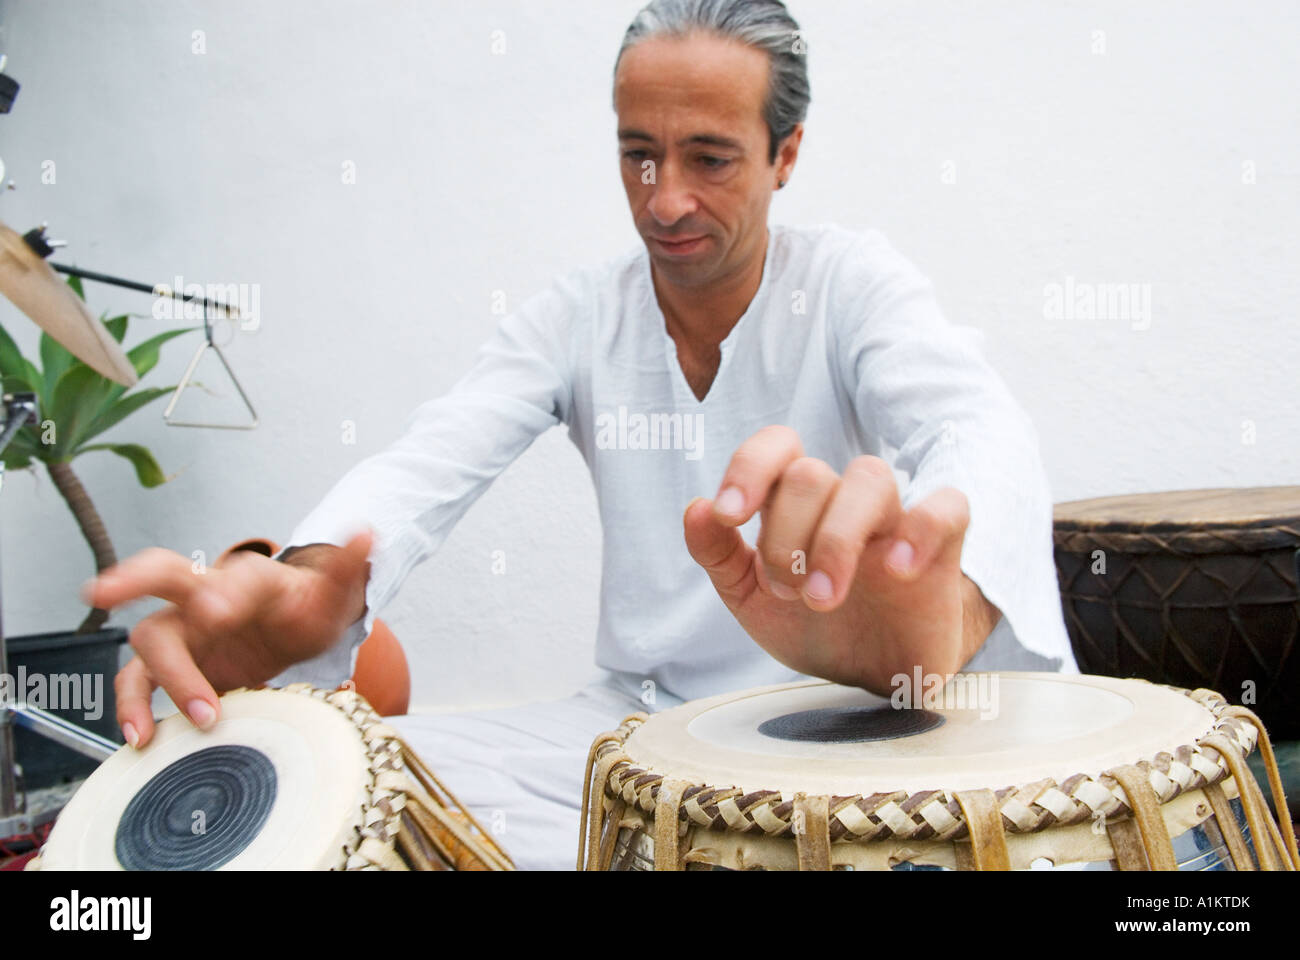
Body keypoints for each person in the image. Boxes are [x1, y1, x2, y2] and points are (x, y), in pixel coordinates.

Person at [87, 0, 1076, 870]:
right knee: (364, 794)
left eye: (709, 157)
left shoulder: (851, 284)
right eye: (636, 151)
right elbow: (429, 459)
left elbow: (976, 427)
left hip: (867, 718)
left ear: (786, 154)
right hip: (643, 727)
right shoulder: (577, 318)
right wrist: (305, 579)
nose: (664, 197)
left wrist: (951, 603)